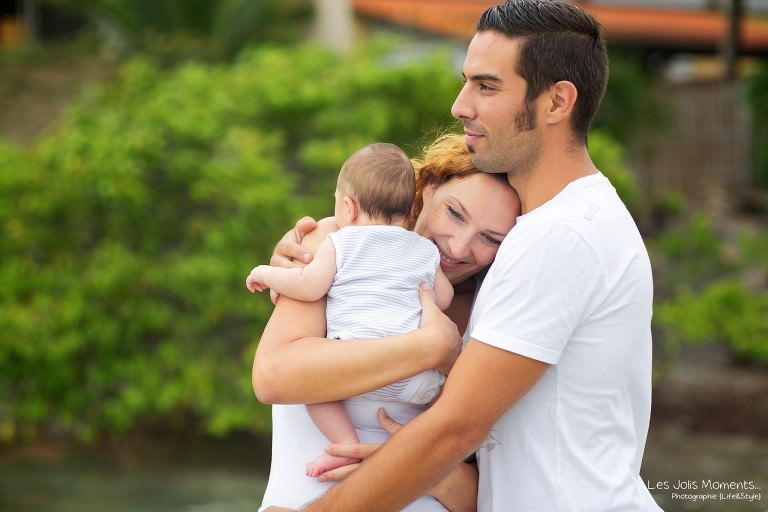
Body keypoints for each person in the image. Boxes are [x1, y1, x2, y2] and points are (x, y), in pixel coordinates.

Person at [262, 0, 662, 511]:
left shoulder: (558, 237)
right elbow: (278, 372)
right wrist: (318, 257)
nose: (460, 105)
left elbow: (454, 431)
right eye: (467, 81)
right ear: (424, 190)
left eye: (486, 85)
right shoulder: (532, 234)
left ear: (557, 102)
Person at [253, 133, 521, 512]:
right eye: (455, 213)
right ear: (425, 189)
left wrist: (414, 464)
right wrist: (430, 348)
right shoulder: (339, 241)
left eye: (491, 238)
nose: (458, 248)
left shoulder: (492, 309)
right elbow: (273, 376)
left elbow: (483, 498)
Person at [246, 142, 453, 478]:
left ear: (347, 207)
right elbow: (442, 296)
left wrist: (266, 275)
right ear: (411, 210)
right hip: (416, 378)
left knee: (314, 391)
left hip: (352, 365)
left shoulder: (340, 242)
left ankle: (345, 448)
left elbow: (309, 285)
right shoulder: (424, 249)